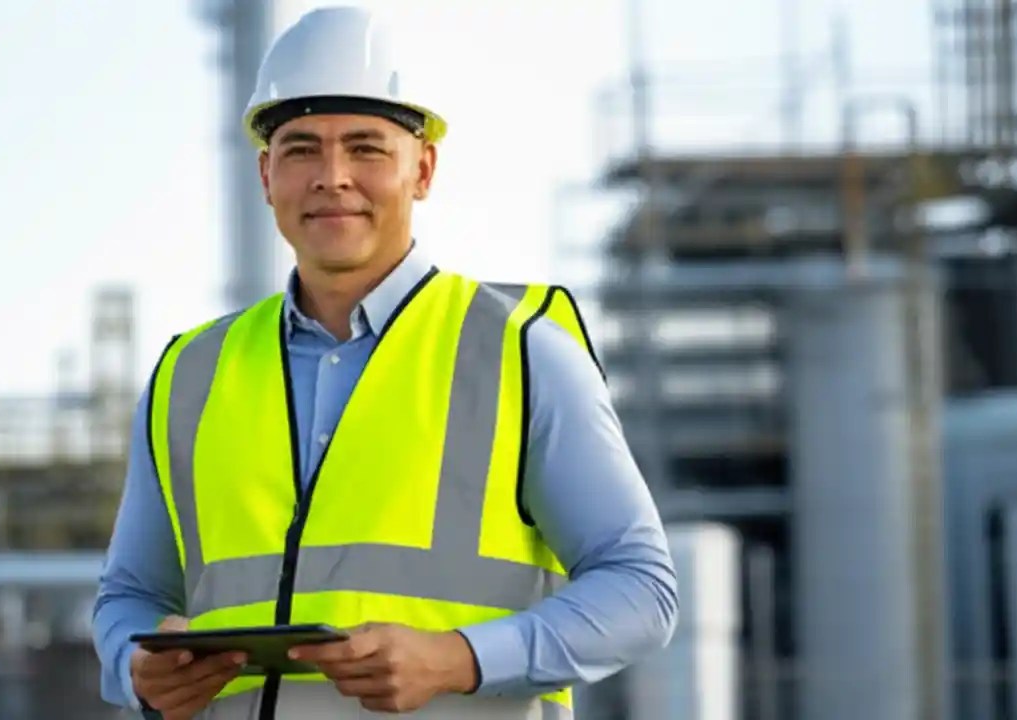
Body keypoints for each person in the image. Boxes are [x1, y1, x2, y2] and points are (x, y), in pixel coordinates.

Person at [92, 5, 678, 718]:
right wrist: (133, 666)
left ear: (422, 169)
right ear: (264, 174)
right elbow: (129, 594)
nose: (332, 177)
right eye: (301, 148)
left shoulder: (524, 355)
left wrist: (458, 659)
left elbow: (643, 588)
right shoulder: (190, 374)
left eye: (367, 148)